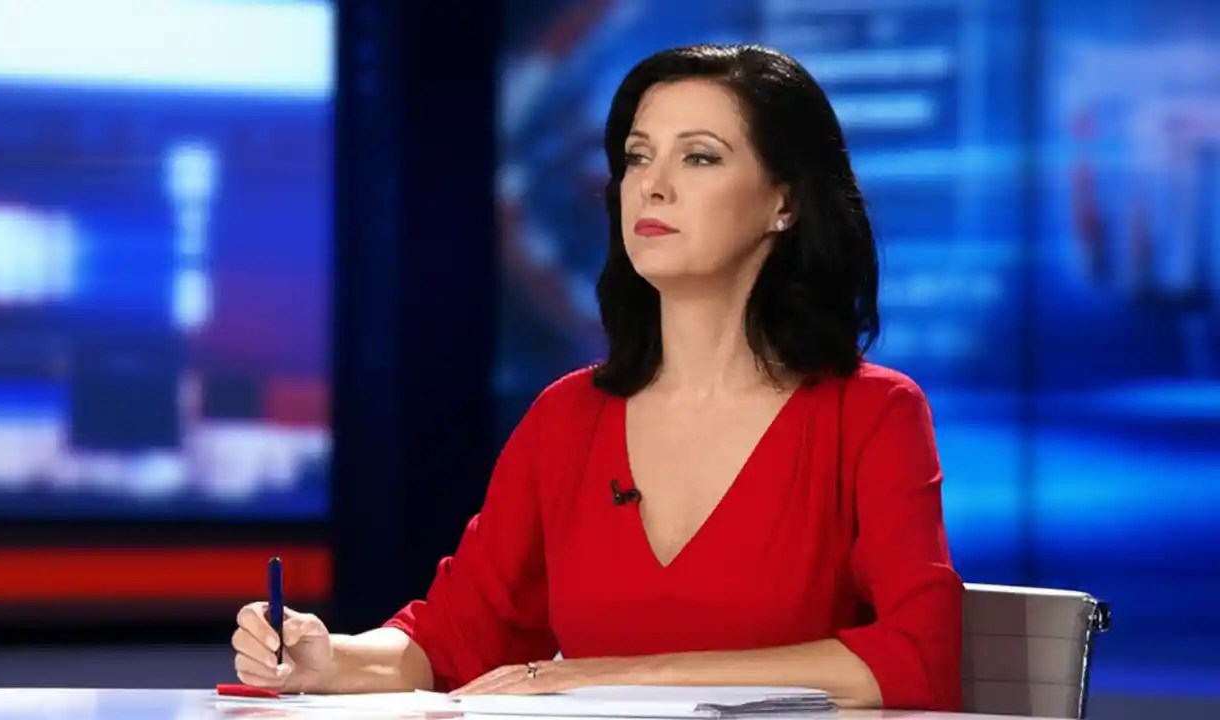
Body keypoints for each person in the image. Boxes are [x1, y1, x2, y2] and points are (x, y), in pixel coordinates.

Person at [231, 43, 963, 711]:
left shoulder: (871, 414)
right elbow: (454, 638)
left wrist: (615, 676)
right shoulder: (569, 419)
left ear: (785, 201)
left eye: (699, 157)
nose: (652, 186)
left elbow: (916, 658)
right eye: (638, 157)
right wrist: (327, 659)